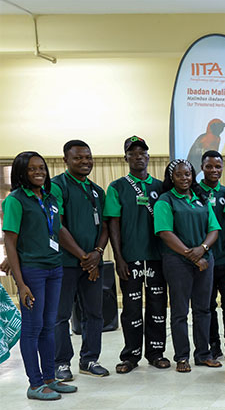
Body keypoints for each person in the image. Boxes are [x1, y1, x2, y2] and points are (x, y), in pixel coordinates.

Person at [2, 151, 76, 400]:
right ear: (21, 172)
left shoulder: (50, 197)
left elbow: (54, 230)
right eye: (32, 169)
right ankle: (34, 384)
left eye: (41, 168)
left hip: (54, 268)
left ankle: (49, 378)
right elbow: (10, 241)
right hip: (32, 272)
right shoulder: (15, 200)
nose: (38, 172)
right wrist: (21, 283)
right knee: (32, 328)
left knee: (48, 326)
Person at [103, 136, 169, 374]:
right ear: (126, 158)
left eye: (142, 153)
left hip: (157, 258)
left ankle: (156, 353)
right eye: (133, 153)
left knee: (157, 307)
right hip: (129, 259)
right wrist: (119, 257)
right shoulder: (117, 187)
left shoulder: (161, 187)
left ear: (148, 157)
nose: (138, 157)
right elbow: (113, 224)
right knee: (131, 309)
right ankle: (130, 356)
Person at [154, 159, 221, 372]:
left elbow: (214, 229)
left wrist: (203, 248)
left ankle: (203, 354)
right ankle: (182, 357)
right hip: (177, 262)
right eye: (179, 175)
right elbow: (165, 232)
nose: (184, 178)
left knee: (203, 309)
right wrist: (192, 256)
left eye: (188, 174)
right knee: (180, 311)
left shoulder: (201, 198)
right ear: (171, 178)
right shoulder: (165, 200)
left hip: (204, 260)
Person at [51, 140, 110, 380]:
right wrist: (84, 257)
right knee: (60, 315)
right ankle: (61, 363)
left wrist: (97, 253)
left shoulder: (97, 191)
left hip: (93, 263)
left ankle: (89, 360)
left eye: (88, 157)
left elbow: (105, 226)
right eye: (78, 158)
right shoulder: (57, 186)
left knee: (94, 313)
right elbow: (58, 226)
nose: (85, 162)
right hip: (65, 263)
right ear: (65, 160)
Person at [199, 150, 225, 361]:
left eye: (218, 166)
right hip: (204, 260)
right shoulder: (194, 193)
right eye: (209, 166)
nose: (214, 170)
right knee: (208, 305)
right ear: (202, 168)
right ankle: (213, 344)